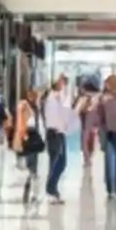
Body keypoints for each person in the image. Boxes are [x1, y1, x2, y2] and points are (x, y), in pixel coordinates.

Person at [14, 88, 48, 207]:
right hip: (29, 139)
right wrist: (23, 138)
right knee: (32, 168)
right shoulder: (24, 106)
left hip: (35, 140)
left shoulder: (36, 107)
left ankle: (32, 191)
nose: (36, 97)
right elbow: (21, 124)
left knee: (33, 168)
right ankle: (32, 192)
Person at [43, 75, 72, 204]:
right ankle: (51, 190)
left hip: (60, 133)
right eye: (61, 83)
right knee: (56, 162)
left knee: (61, 162)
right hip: (54, 133)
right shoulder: (52, 98)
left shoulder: (58, 98)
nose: (63, 85)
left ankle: (52, 189)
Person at [74, 80, 100, 167]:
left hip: (86, 125)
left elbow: (76, 111)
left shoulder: (83, 98)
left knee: (85, 141)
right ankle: (89, 158)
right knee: (92, 141)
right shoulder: (97, 98)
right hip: (94, 125)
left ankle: (87, 159)